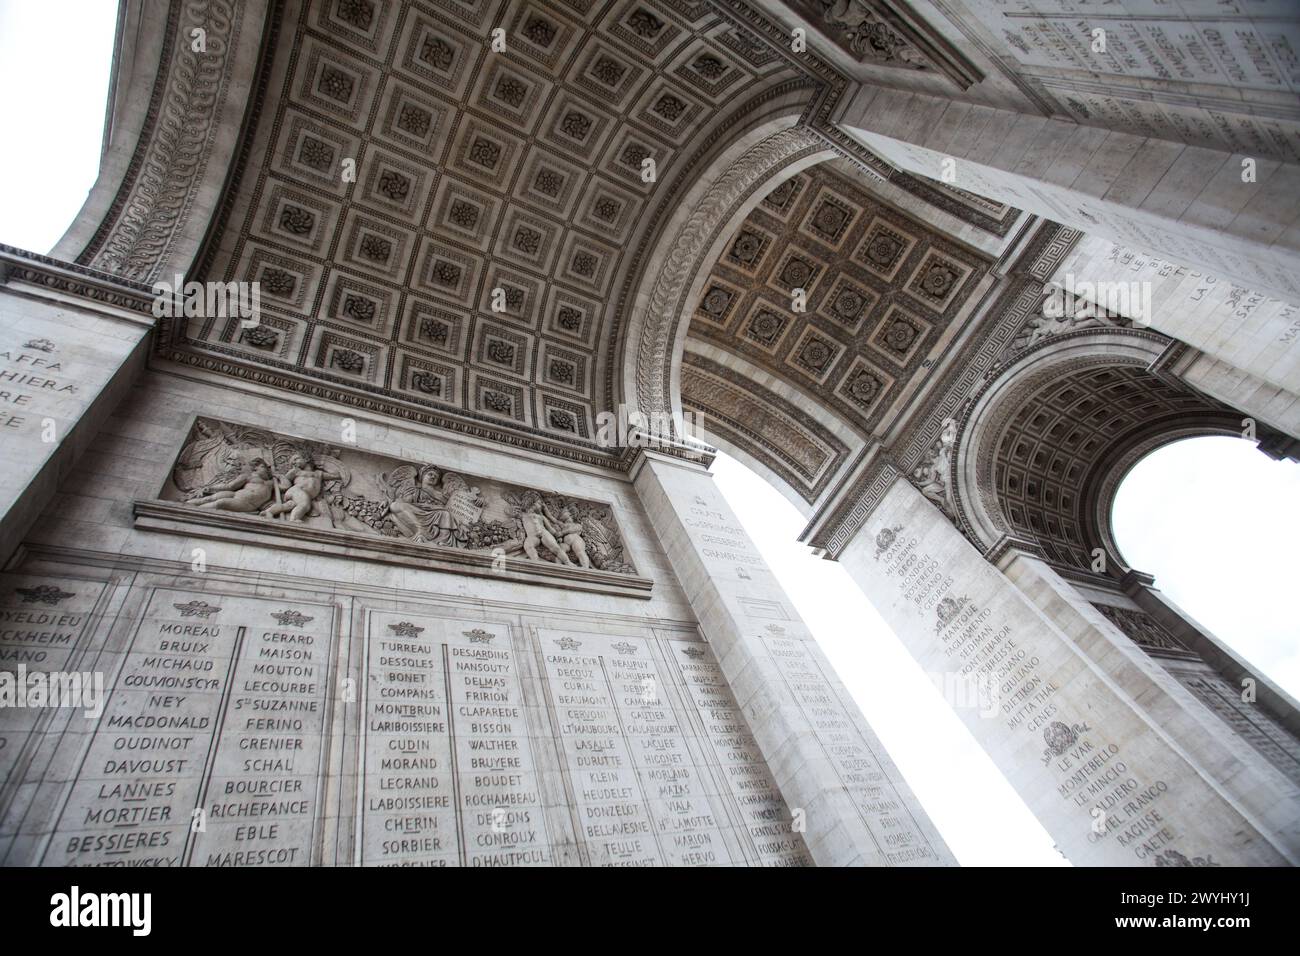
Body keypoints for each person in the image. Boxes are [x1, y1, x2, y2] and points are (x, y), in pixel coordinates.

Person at [187, 458, 275, 513]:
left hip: (248, 503)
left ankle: (193, 511)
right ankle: (185, 505)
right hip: (235, 494)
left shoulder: (272, 483)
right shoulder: (248, 476)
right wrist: (210, 488)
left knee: (221, 503)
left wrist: (281, 477)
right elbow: (230, 486)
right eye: (263, 467)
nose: (267, 470)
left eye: (267, 468)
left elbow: (285, 486)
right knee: (208, 498)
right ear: (255, 468)